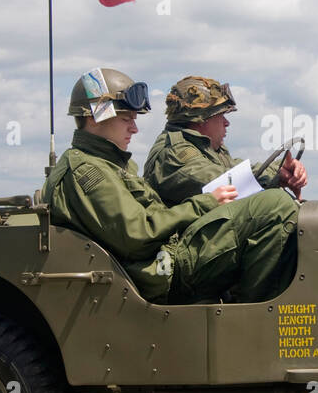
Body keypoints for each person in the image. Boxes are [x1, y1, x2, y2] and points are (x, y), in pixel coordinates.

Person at [42, 66, 298, 304]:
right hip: (166, 270)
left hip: (166, 259)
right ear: (95, 118)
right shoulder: (88, 171)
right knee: (274, 206)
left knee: (273, 204)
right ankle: (256, 321)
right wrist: (206, 203)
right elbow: (138, 235)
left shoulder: (106, 164)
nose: (135, 129)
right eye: (126, 119)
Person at [143, 75, 307, 205]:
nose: (226, 123)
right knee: (277, 204)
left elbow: (234, 168)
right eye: (221, 115)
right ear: (200, 120)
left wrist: (280, 171)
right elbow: (222, 180)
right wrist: (274, 175)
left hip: (209, 237)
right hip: (188, 243)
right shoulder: (175, 152)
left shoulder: (206, 146)